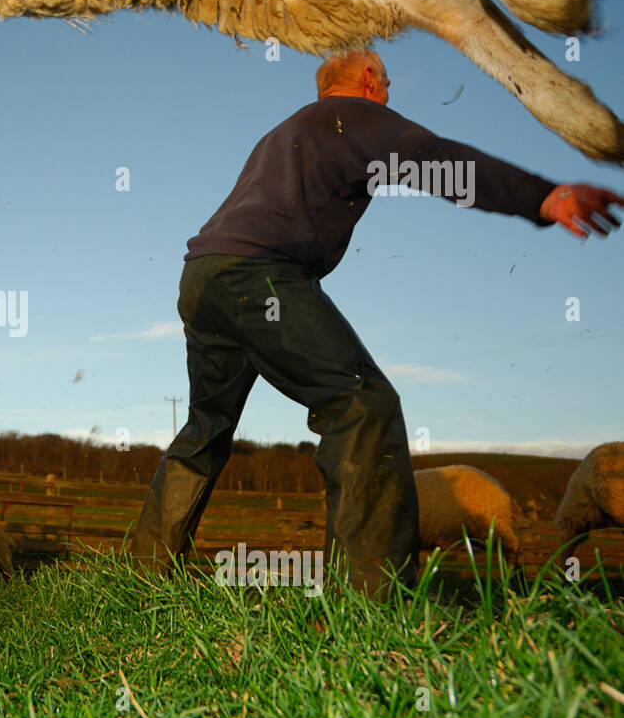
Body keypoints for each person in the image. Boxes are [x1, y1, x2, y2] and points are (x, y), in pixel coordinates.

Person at [131, 49, 623, 594]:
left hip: (204, 276)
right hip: (259, 275)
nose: (389, 94)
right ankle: (367, 596)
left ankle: (141, 573)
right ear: (367, 79)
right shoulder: (351, 118)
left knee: (206, 429)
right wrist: (542, 197)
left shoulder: (283, 132)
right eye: (387, 82)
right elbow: (437, 161)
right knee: (362, 404)